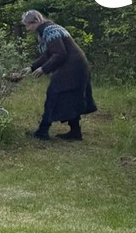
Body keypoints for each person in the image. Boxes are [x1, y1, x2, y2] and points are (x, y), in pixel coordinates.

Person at [18, 10, 97, 140]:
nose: (27, 28)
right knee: (71, 98)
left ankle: (42, 131)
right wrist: (32, 67)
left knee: (53, 95)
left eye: (28, 25)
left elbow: (60, 54)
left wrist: (43, 69)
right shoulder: (50, 29)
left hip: (72, 68)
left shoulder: (49, 31)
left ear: (36, 21)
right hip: (78, 67)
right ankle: (75, 133)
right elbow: (48, 54)